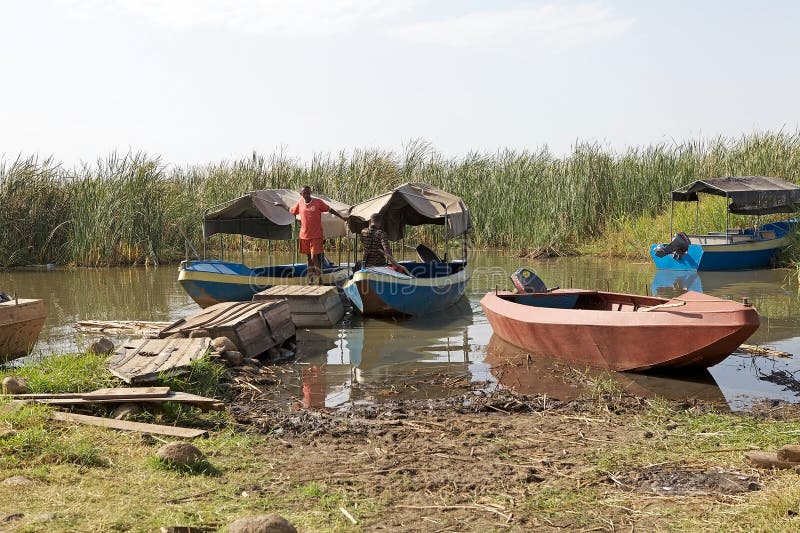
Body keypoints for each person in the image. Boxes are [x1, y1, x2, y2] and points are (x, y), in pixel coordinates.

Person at [276, 185, 346, 284]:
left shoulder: (318, 202)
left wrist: (342, 217)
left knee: (314, 257)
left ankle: (319, 278)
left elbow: (330, 209)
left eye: (308, 192)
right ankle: (310, 279)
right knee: (309, 258)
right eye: (305, 193)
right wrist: (281, 204)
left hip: (316, 236)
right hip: (304, 236)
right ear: (301, 194)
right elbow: (291, 210)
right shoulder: (300, 203)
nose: (307, 195)